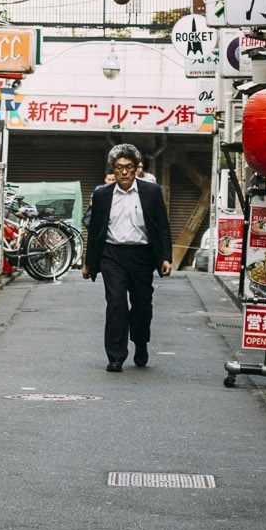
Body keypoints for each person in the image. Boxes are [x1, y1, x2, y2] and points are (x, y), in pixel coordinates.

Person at [83, 143, 172, 371]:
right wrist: (89, 263)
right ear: (113, 169)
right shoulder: (102, 195)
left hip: (142, 256)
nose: (124, 172)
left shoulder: (151, 192)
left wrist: (165, 257)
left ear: (136, 169)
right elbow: (95, 231)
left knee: (142, 306)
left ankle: (140, 343)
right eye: (119, 167)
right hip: (112, 255)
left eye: (129, 167)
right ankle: (116, 356)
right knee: (116, 303)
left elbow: (162, 227)